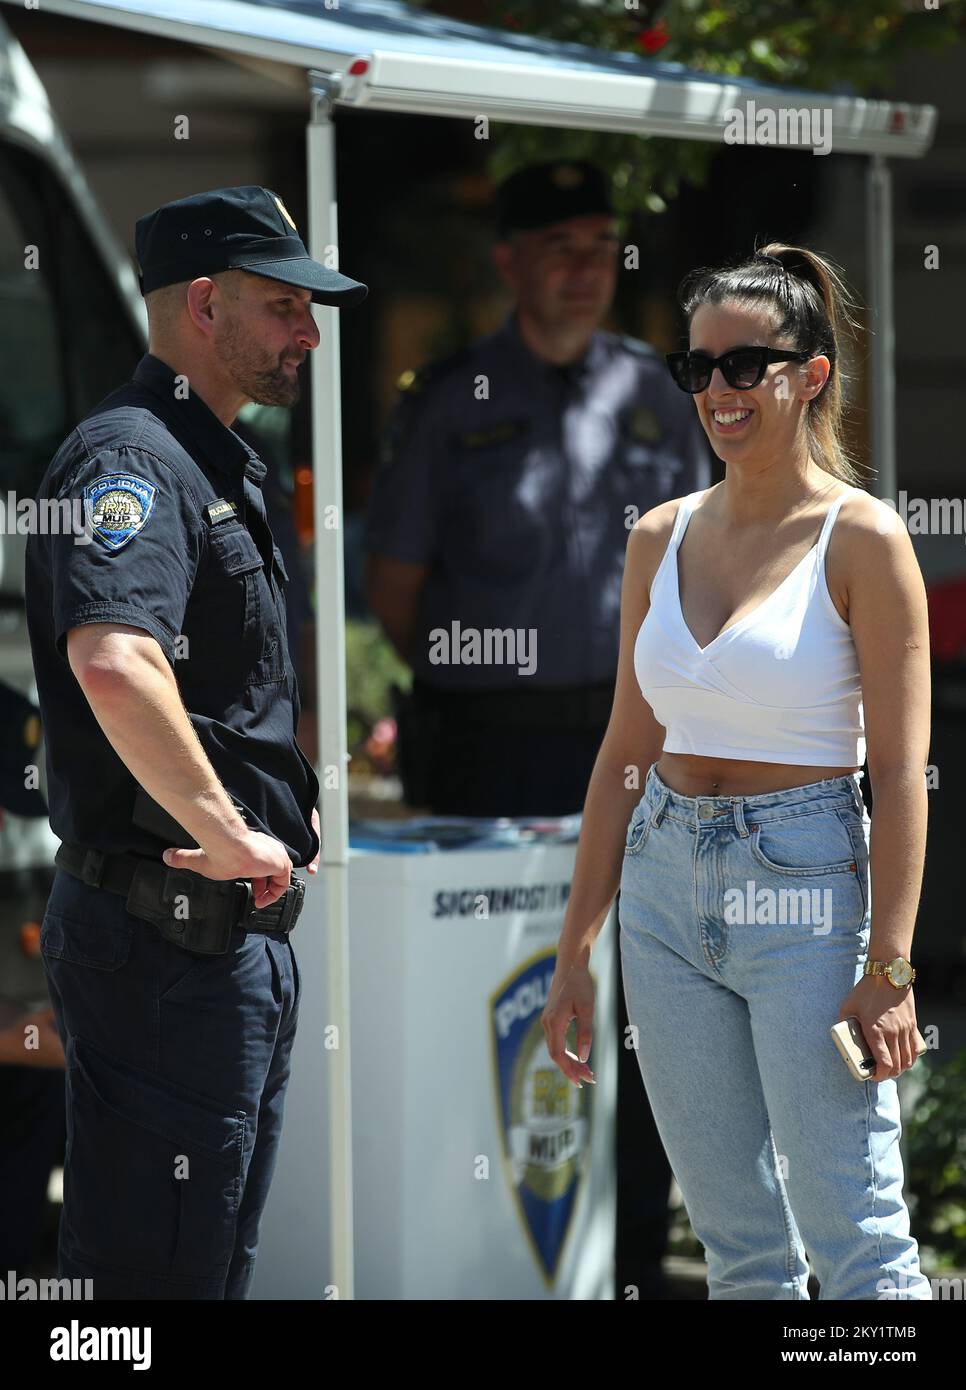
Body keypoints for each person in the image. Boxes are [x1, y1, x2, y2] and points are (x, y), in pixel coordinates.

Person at [542, 242, 933, 1300]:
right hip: (663, 891)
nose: (716, 390)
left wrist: (891, 968)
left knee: (856, 1236)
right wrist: (575, 947)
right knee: (736, 1245)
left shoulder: (865, 539)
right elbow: (627, 748)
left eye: (743, 365)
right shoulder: (659, 536)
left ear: (810, 373)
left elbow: (901, 774)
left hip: (806, 886)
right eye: (698, 368)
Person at [364, 160, 710, 1297]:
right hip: (486, 742)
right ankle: (492, 1250)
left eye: (599, 243)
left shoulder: (663, 395)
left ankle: (631, 1255)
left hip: (632, 743)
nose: (582, 268)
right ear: (506, 260)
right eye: (556, 244)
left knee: (641, 1000)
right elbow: (399, 586)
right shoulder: (450, 395)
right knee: (497, 986)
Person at [23, 185, 366, 1299]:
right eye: (284, 308)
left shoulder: (207, 455)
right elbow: (114, 661)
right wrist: (230, 831)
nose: (309, 334)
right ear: (207, 306)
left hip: (215, 939)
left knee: (203, 1264)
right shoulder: (133, 456)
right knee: (147, 1280)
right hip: (165, 937)